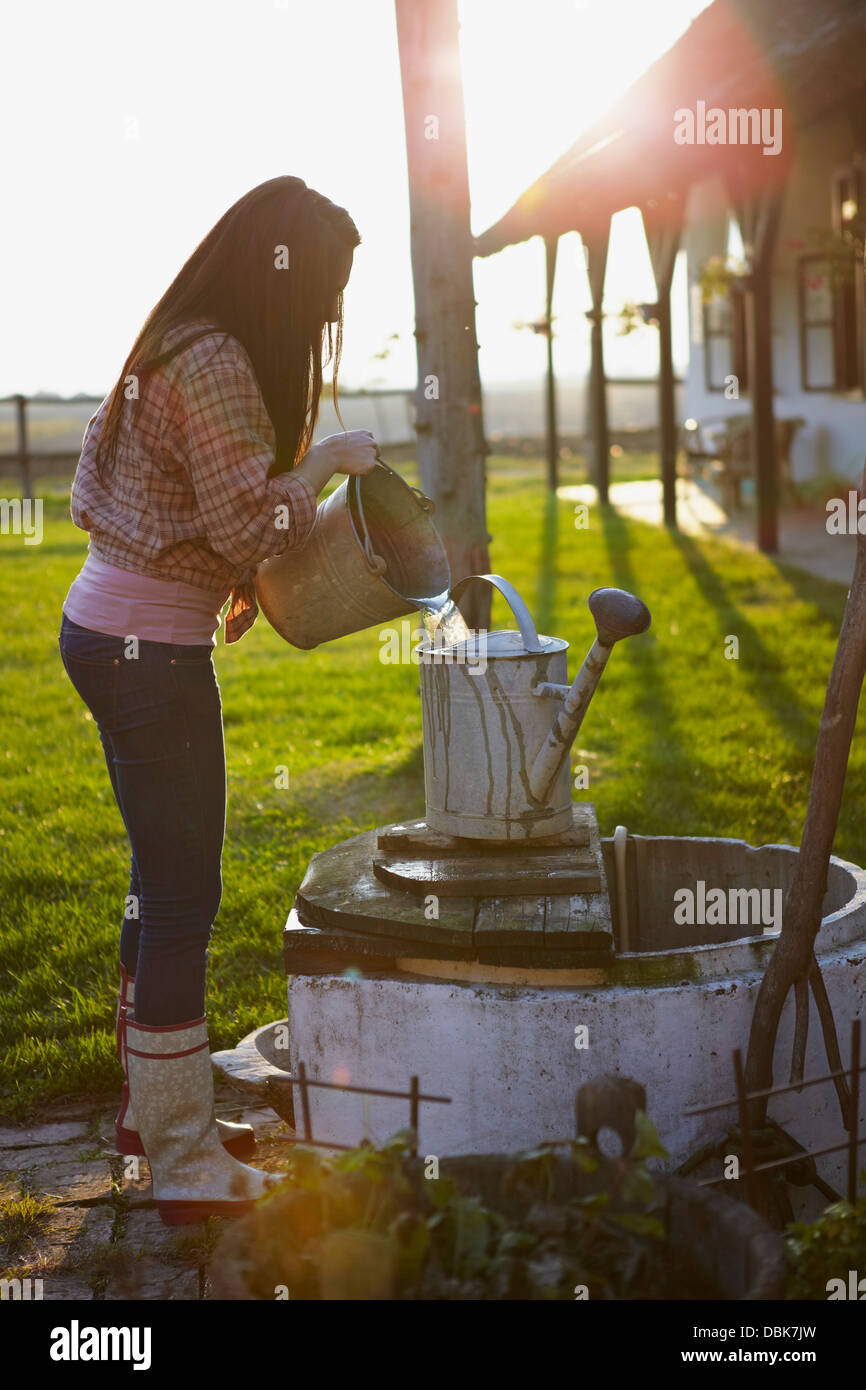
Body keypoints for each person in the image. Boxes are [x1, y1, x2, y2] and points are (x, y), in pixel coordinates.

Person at [59, 176, 377, 1225]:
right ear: (277, 274)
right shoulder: (221, 360)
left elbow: (173, 505)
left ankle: (155, 1117)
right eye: (325, 291)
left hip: (109, 626)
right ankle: (185, 1161)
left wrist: (221, 573)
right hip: (148, 652)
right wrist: (326, 464)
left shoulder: (179, 337)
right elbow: (250, 523)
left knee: (159, 884)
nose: (327, 313)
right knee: (184, 898)